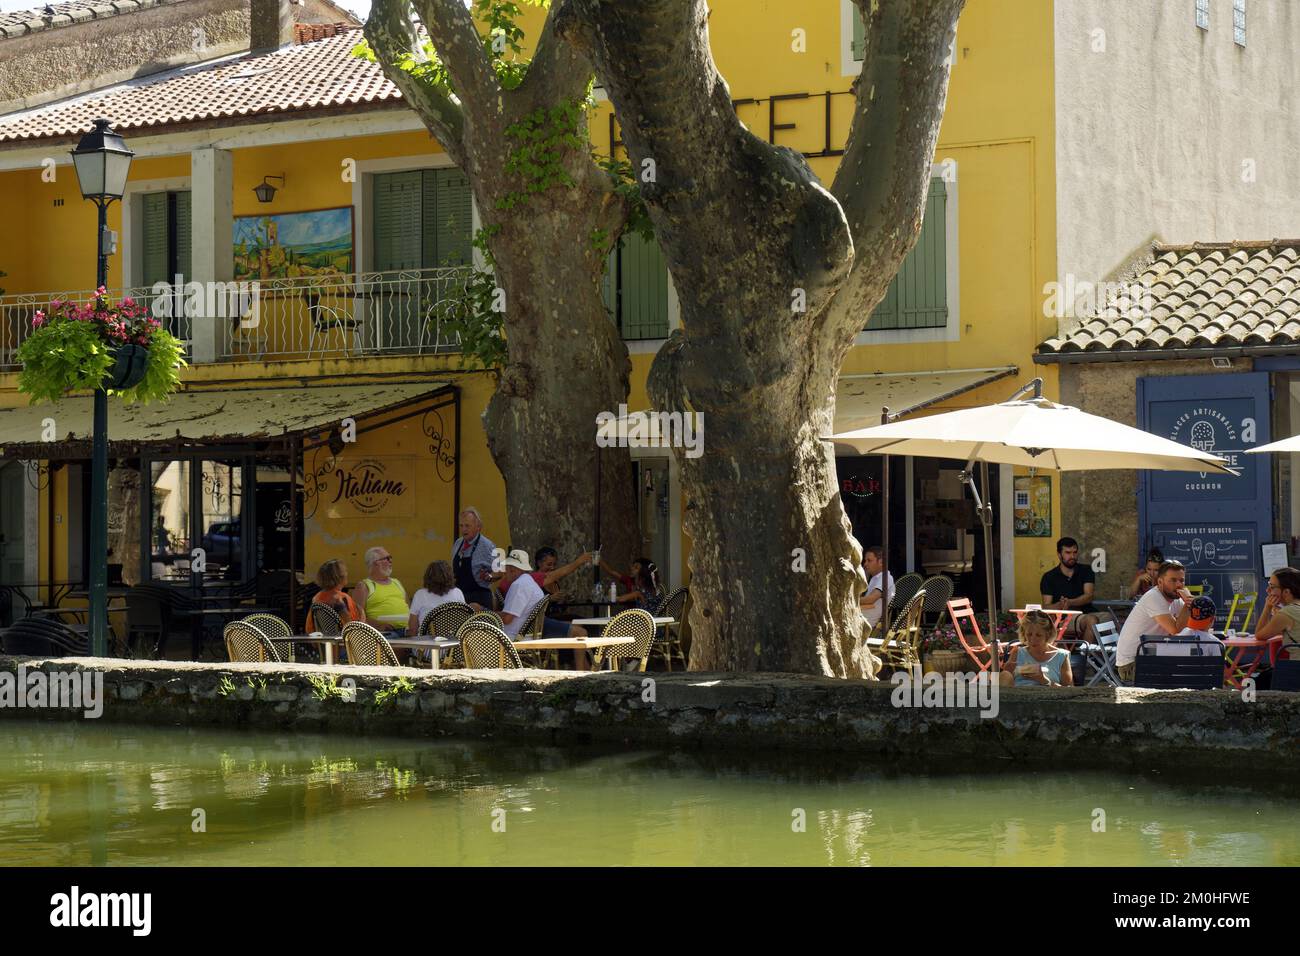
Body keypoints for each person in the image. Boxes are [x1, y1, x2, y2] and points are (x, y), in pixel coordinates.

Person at [1114, 559, 1195, 682]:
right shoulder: (1154, 597)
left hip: (1152, 657)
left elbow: (1193, 625)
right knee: (1187, 673)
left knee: (1194, 666)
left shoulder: (1176, 598)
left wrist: (1192, 606)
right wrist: (1187, 605)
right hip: (1132, 665)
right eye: (1173, 580)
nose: (1179, 585)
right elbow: (1175, 629)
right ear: (1160, 582)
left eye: (1182, 580)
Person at [1040, 536, 1107, 642]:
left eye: (1075, 552)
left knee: (1114, 619)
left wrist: (1070, 602)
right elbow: (1046, 606)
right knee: (1092, 621)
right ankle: (1087, 656)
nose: (1072, 556)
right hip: (1065, 618)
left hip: (1088, 612)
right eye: (1068, 553)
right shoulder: (1049, 577)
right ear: (1059, 554)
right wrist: (1060, 605)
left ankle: (1109, 656)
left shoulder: (1086, 570)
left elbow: (1089, 596)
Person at [1002, 609, 1073, 688]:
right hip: (1019, 697)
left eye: (1038, 635)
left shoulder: (1061, 656)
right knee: (1004, 675)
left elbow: (1069, 691)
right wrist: (1007, 671)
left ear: (1048, 634)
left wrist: (1044, 680)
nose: (1032, 639)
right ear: (1024, 633)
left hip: (1048, 698)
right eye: (1029, 634)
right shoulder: (1017, 652)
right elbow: (1001, 686)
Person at [349, 546, 409, 634]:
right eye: (387, 558)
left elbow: (409, 608)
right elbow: (356, 617)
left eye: (390, 558)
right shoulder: (364, 586)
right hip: (383, 634)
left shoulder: (397, 583)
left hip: (407, 631)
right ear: (375, 562)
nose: (390, 561)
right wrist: (378, 625)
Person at [451, 507, 496, 608]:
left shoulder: (489, 546)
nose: (463, 529)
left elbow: (500, 571)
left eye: (467, 526)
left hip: (480, 600)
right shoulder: (458, 543)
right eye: (461, 526)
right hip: (460, 598)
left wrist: (489, 577)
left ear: (478, 527)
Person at [407, 560, 466, 635]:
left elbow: (413, 628)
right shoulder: (458, 593)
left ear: (427, 576)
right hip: (451, 643)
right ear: (450, 575)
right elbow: (463, 622)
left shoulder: (420, 595)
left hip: (426, 644)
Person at [1253, 567, 1300, 659]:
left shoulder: (1286, 613)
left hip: (1295, 669)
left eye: (1272, 587)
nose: (1267, 590)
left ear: (1286, 592)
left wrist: (1267, 607)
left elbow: (1259, 635)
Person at [306, 558, 360, 632]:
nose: (347, 574)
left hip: (324, 640)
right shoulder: (340, 599)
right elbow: (350, 627)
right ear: (339, 577)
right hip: (342, 641)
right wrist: (362, 615)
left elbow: (310, 628)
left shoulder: (316, 598)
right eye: (345, 571)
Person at [859, 545, 895, 632]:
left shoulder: (885, 577)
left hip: (866, 623)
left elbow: (871, 599)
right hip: (860, 618)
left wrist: (848, 601)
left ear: (881, 562)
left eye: (869, 561)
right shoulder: (875, 578)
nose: (865, 564)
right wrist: (865, 577)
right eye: (865, 560)